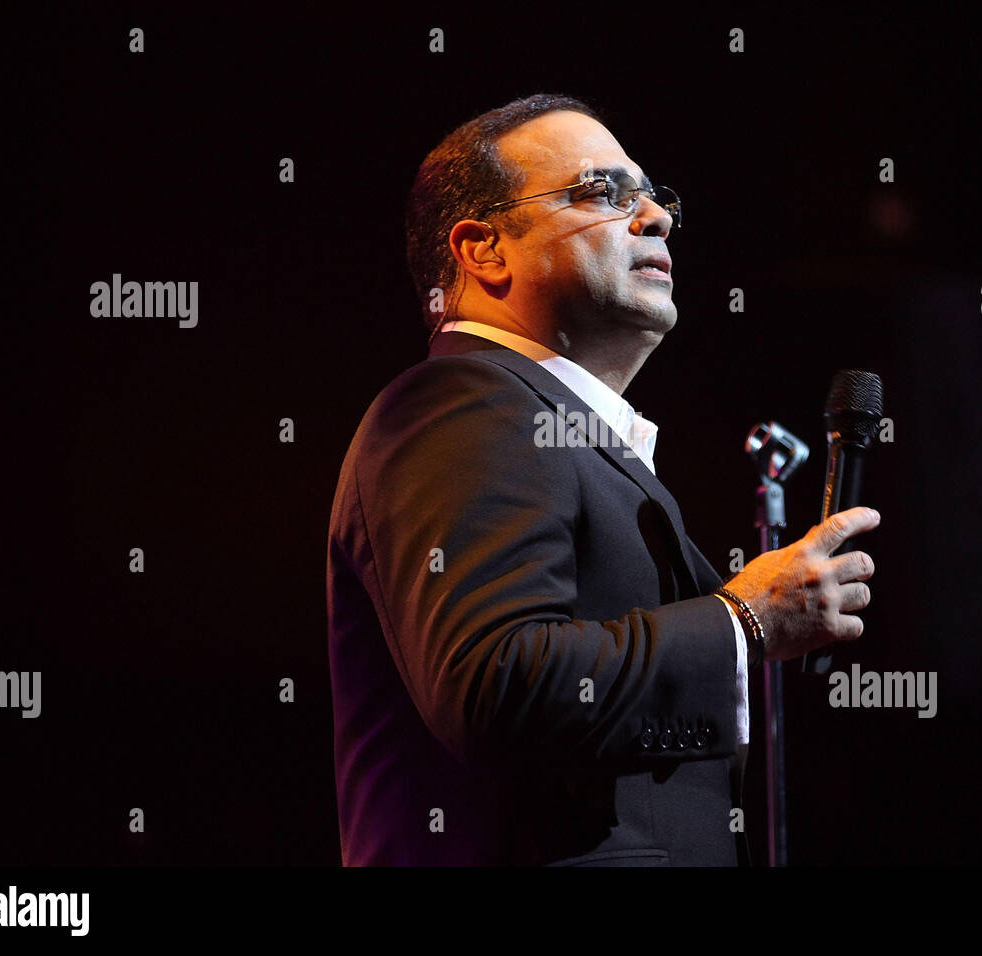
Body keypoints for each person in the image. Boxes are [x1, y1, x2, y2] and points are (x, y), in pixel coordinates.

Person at [325, 94, 879, 866]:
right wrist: (744, 623)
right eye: (604, 193)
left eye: (655, 196)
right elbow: (493, 686)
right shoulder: (459, 403)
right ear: (484, 250)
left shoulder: (557, 428)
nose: (656, 217)